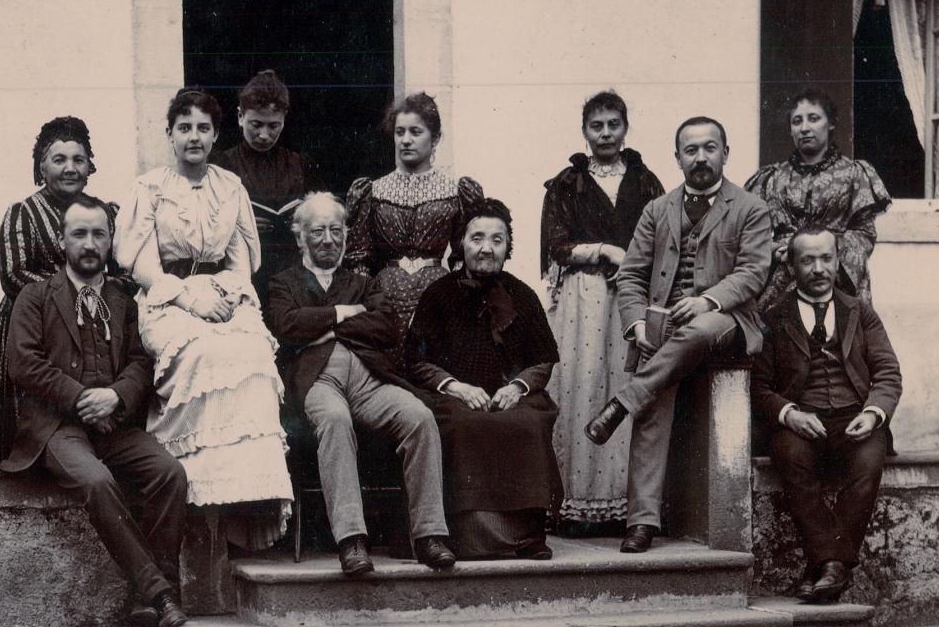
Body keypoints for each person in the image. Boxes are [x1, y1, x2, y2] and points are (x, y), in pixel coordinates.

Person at [113, 88, 293, 551]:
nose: (194, 137)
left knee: (253, 353)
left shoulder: (230, 187)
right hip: (168, 298)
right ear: (169, 134)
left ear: (215, 136)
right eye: (185, 128)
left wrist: (228, 296)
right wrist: (190, 301)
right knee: (203, 352)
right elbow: (141, 264)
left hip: (221, 293)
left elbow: (241, 259)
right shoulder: (149, 188)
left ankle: (241, 496)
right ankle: (193, 484)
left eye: (203, 129)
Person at [0, 195, 189, 627]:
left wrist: (116, 398)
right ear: (61, 240)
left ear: (110, 241)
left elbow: (142, 362)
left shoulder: (124, 300)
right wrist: (83, 397)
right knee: (97, 481)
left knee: (170, 473)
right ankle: (162, 594)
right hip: (57, 427)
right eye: (79, 234)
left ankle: (151, 597)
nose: (89, 243)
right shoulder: (35, 296)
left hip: (114, 426)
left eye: (98, 234)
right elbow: (24, 363)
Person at [585, 117, 772, 554]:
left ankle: (622, 402)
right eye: (691, 150)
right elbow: (632, 276)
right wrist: (636, 323)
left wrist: (707, 301)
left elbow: (753, 272)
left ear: (725, 153)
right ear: (678, 158)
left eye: (709, 148)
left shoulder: (750, 207)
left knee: (695, 331)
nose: (700, 158)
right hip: (664, 326)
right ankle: (642, 522)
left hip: (726, 320)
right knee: (655, 393)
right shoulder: (657, 210)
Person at [265, 192, 455, 575]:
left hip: (369, 381)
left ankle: (429, 535)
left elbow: (386, 326)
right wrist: (343, 311)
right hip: (318, 381)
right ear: (300, 236)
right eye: (318, 231)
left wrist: (325, 327)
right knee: (335, 420)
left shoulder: (362, 283)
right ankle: (351, 541)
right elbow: (287, 325)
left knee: (419, 417)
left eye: (336, 231)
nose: (328, 240)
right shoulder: (283, 283)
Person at [752, 226, 901, 604]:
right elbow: (759, 387)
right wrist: (789, 414)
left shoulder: (860, 312)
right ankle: (834, 565)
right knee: (790, 456)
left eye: (826, 258)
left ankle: (824, 566)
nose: (819, 269)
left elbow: (887, 372)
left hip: (855, 418)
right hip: (802, 423)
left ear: (837, 261)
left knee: (869, 462)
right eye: (808, 260)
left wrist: (873, 414)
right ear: (791, 266)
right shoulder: (774, 317)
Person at [540, 90, 666, 536]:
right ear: (585, 131)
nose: (606, 133)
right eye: (597, 126)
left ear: (625, 128)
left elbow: (664, 238)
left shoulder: (646, 181)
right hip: (585, 296)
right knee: (584, 387)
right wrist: (606, 251)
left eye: (614, 124)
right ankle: (578, 505)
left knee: (628, 386)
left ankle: (628, 507)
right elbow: (556, 245)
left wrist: (631, 264)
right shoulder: (566, 183)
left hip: (632, 294)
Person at [406, 199, 561, 560]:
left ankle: (527, 536)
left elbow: (543, 360)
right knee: (464, 425)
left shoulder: (523, 296)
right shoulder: (438, 295)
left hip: (510, 396)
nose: (486, 248)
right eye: (477, 238)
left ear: (508, 247)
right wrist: (456, 387)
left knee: (527, 423)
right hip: (452, 396)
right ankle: (471, 538)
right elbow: (416, 361)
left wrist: (516, 387)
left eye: (497, 239)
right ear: (461, 243)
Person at [0, 116, 101, 463]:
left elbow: (119, 272)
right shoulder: (22, 213)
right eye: (59, 159)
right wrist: (71, 296)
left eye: (78, 159)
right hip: (34, 327)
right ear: (42, 166)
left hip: (91, 325)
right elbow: (13, 275)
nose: (70, 168)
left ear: (89, 166)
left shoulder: (103, 213)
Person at [345, 92, 483, 341]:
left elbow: (463, 257)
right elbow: (359, 259)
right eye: (400, 132)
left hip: (439, 295)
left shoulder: (454, 191)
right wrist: (367, 305)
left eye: (415, 132)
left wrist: (460, 299)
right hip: (384, 299)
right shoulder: (372, 191)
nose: (406, 140)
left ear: (435, 138)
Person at [744, 89, 893, 309]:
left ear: (830, 123)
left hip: (836, 275)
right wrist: (778, 249)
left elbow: (864, 234)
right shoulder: (771, 178)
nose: (804, 128)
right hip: (783, 278)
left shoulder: (854, 174)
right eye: (797, 121)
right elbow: (751, 236)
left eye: (813, 118)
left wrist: (823, 248)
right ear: (791, 130)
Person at [209, 70, 322, 297]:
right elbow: (204, 219)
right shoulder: (222, 165)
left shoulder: (300, 164)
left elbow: (324, 212)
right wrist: (237, 222)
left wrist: (303, 218)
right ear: (240, 116)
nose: (264, 135)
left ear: (284, 120)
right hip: (240, 268)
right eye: (256, 124)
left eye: (273, 126)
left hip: (291, 267)